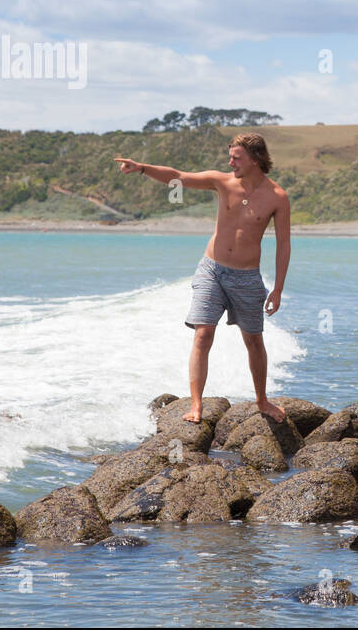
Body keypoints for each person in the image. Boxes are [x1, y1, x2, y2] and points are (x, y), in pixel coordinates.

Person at [114, 133, 290, 425]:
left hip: (246, 277)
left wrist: (279, 288)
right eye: (230, 156)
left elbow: (284, 244)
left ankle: (262, 400)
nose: (230, 161)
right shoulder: (222, 182)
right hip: (212, 270)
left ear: (256, 159)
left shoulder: (276, 197)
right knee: (203, 334)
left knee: (254, 341)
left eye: (236, 157)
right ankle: (196, 405)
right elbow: (178, 177)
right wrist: (141, 167)